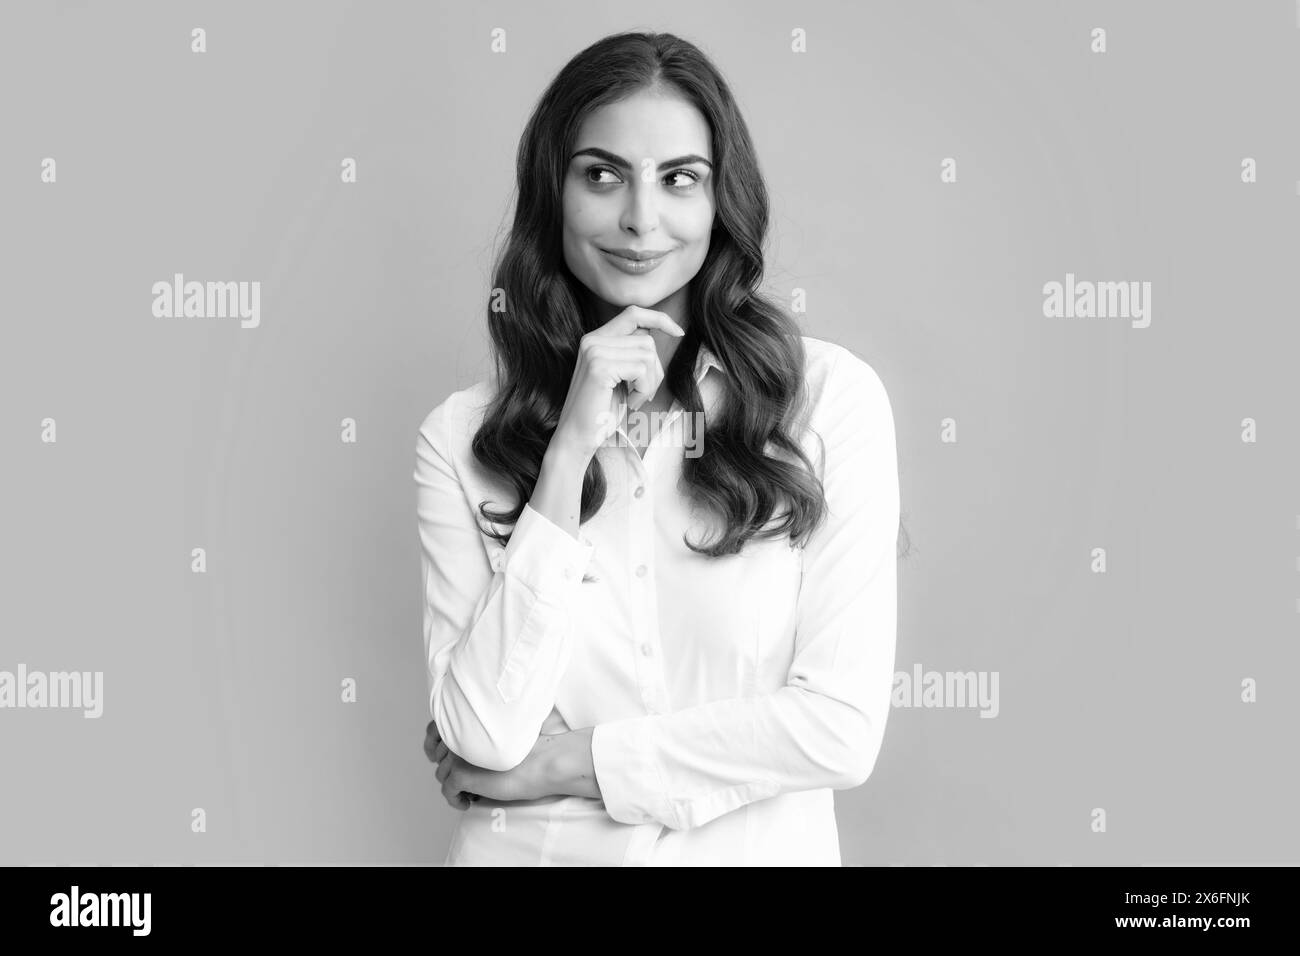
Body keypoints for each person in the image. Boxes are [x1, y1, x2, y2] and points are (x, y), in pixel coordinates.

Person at [414, 30, 900, 866]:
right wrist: (569, 448)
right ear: (552, 193)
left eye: (680, 179)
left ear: (721, 201)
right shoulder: (459, 438)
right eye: (601, 175)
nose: (641, 219)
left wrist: (567, 763)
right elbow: (482, 735)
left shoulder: (829, 404)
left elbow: (837, 730)